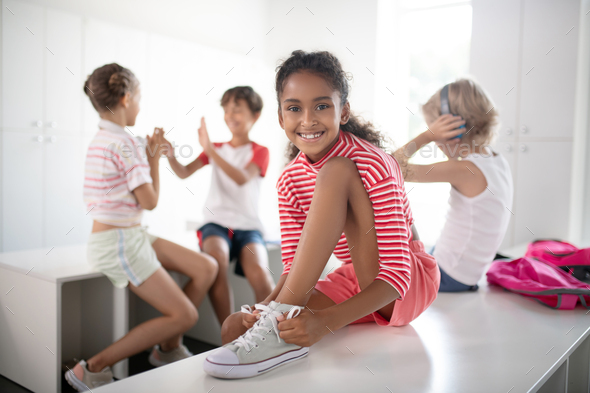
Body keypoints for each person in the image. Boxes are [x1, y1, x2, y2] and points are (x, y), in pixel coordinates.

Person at [203, 50, 440, 379]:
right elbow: (294, 268)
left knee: (337, 170)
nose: (308, 119)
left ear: (343, 112)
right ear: (280, 116)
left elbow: (397, 277)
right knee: (234, 331)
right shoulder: (289, 180)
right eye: (294, 108)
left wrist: (324, 324)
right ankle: (272, 324)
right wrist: (263, 309)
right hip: (352, 278)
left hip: (404, 280)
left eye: (322, 106)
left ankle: (276, 322)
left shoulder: (374, 163)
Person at [66, 63, 218, 391]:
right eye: (138, 98)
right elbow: (149, 201)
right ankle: (91, 369)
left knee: (206, 267)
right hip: (118, 243)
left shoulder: (105, 137)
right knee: (186, 316)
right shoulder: (127, 144)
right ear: (124, 99)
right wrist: (153, 157)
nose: (139, 105)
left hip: (129, 235)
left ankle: (167, 349)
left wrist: (147, 154)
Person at [166, 86, 274, 326]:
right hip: (216, 223)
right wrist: (171, 156)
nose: (230, 115)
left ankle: (268, 330)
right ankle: (229, 334)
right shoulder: (215, 149)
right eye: (226, 110)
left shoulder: (260, 151)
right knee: (217, 262)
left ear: (255, 115)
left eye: (237, 109)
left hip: (248, 227)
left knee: (260, 274)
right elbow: (184, 172)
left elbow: (241, 178)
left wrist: (210, 150)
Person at [394, 79, 513, 292]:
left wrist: (426, 136)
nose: (437, 142)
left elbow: (390, 168)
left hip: (448, 275)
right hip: (466, 274)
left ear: (454, 129)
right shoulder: (495, 160)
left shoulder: (466, 169)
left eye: (437, 131)